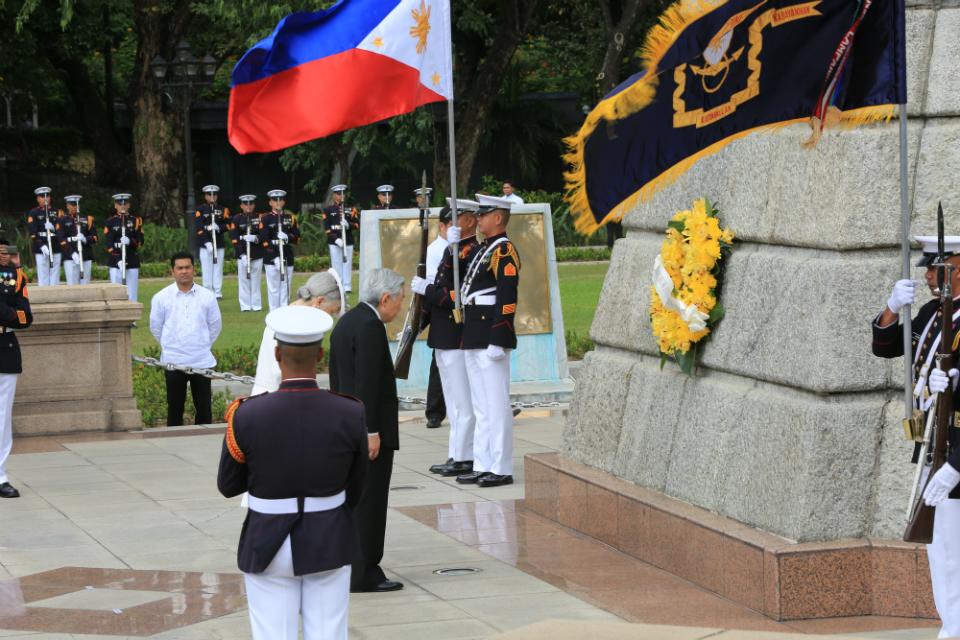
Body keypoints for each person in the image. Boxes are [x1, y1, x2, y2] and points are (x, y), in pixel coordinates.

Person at [218, 305, 367, 640]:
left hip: (266, 538)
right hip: (329, 534)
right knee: (328, 632)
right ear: (321, 354)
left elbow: (228, 485)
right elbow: (357, 487)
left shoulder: (247, 415)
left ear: (276, 353)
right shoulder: (349, 412)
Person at [873, 235, 960, 639]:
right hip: (933, 448)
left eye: (937, 268)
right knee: (941, 552)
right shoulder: (932, 312)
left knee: (954, 553)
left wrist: (957, 465)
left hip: (955, 455)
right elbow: (888, 348)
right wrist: (892, 309)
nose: (927, 275)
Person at [329, 268, 404, 593]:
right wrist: (371, 430)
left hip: (346, 426)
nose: (400, 307)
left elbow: (338, 379)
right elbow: (369, 385)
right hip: (368, 432)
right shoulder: (371, 327)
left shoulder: (346, 322)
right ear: (385, 298)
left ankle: (350, 566)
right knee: (371, 502)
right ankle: (366, 570)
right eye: (400, 300)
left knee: (356, 500)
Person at [412, 199, 481, 477]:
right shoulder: (451, 251)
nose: (453, 225)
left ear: (470, 221)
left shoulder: (472, 252)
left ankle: (465, 455)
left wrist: (427, 291)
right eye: (451, 220)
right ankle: (456, 453)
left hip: (455, 334)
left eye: (458, 219)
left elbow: (458, 297)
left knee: (462, 401)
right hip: (443, 334)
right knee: (453, 401)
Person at [456, 194, 520, 488]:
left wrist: (500, 336)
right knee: (481, 404)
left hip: (490, 334)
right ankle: (483, 463)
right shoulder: (485, 249)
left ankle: (501, 466)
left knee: (496, 405)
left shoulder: (503, 251)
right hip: (474, 333)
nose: (478, 219)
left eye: (483, 215)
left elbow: (507, 298)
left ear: (498, 218)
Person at [149, 251, 222, 427]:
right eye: (179, 268)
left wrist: (201, 344)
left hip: (201, 360)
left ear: (194, 270)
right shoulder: (161, 297)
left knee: (204, 408)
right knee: (174, 408)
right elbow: (155, 327)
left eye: (187, 267)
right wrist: (171, 345)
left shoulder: (207, 296)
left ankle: (203, 442)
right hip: (173, 361)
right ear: (172, 271)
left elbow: (215, 326)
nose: (184, 271)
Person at [252, 269, 345, 395]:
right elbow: (280, 372)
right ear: (319, 301)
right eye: (331, 311)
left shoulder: (286, 315)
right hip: (276, 399)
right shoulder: (290, 322)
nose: (331, 317)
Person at [0, 241, 32, 499]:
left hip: (5, 349)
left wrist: (6, 313)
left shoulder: (16, 277)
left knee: (2, 418)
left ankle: (0, 475)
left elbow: (25, 316)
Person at [422, 205, 451, 429]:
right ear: (442, 226)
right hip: (442, 307)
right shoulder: (435, 250)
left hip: (462, 308)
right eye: (451, 225)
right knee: (439, 362)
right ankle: (434, 411)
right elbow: (433, 282)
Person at [259, 190, 300, 311]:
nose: (277, 202)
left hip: (287, 255)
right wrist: (275, 257)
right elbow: (264, 240)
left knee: (285, 286)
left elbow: (297, 237)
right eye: (274, 200)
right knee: (273, 288)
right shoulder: (265, 218)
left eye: (280, 200)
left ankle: (284, 310)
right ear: (270, 202)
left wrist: (288, 237)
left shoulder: (290, 218)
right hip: (271, 257)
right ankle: (274, 312)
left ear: (283, 202)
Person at [103, 193, 144, 302]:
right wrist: (118, 261)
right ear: (115, 205)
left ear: (129, 205)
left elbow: (140, 241)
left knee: (132, 293)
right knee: (115, 294)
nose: (122, 206)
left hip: (131, 259)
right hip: (116, 260)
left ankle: (132, 319)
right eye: (119, 203)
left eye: (125, 203)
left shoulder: (136, 220)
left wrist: (130, 241)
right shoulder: (110, 221)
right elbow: (108, 244)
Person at [195, 185, 230, 299]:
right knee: (206, 268)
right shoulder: (200, 209)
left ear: (217, 196)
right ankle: (207, 291)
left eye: (214, 194)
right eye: (209, 194)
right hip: (205, 245)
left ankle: (217, 292)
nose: (212, 197)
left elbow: (228, 224)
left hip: (218, 244)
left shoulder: (223, 209)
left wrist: (219, 227)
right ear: (205, 196)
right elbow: (199, 228)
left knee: (218, 268)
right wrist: (206, 242)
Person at [230, 194, 264, 312]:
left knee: (256, 280)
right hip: (242, 254)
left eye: (250, 204)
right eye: (245, 204)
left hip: (256, 253)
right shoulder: (236, 219)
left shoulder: (260, 217)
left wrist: (256, 238)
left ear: (254, 205)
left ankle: (256, 305)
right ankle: (245, 305)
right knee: (243, 280)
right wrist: (242, 255)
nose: (248, 206)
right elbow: (234, 238)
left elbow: (263, 235)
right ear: (241, 205)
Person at [322, 185, 359, 294]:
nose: (341, 196)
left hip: (347, 239)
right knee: (336, 263)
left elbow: (357, 225)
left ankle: (347, 285)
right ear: (334, 195)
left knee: (347, 262)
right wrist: (335, 239)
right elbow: (327, 228)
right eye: (339, 194)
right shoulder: (328, 209)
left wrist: (349, 225)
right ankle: (338, 284)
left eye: (343, 193)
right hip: (334, 241)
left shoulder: (351, 209)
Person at [26, 186, 63, 286]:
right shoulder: (34, 212)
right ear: (38, 199)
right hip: (41, 246)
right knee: (43, 273)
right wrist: (41, 245)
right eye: (42, 196)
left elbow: (62, 229)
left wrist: (54, 228)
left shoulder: (57, 212)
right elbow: (32, 232)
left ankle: (55, 295)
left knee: (55, 272)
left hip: (55, 244)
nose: (45, 198)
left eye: (47, 196)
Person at [58, 195, 97, 285]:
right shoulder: (62, 220)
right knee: (72, 285)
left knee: (85, 285)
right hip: (70, 256)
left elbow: (95, 238)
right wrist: (72, 253)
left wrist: (85, 239)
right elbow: (61, 240)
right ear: (67, 206)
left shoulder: (88, 219)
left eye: (76, 204)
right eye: (72, 204)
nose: (75, 206)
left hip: (85, 256)